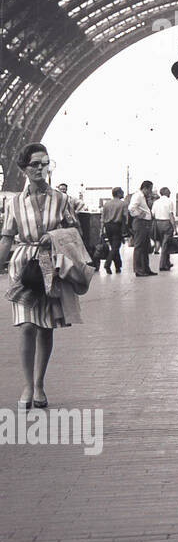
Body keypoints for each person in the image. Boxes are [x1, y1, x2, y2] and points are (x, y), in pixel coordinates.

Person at [0, 144, 87, 408]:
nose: (40, 168)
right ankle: (28, 386)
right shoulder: (13, 202)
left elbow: (75, 230)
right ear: (24, 168)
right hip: (24, 268)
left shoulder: (61, 199)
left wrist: (56, 237)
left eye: (44, 163)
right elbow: (6, 237)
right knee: (27, 326)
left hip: (51, 266)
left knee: (46, 327)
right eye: (35, 164)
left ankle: (39, 385)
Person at [128, 180, 156, 276]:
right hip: (141, 223)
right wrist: (139, 215)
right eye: (150, 189)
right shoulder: (138, 196)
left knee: (145, 247)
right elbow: (131, 208)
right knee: (139, 246)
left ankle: (146, 268)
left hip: (145, 223)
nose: (150, 192)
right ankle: (138, 270)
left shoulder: (143, 197)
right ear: (145, 188)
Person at [100, 186, 127, 274]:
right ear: (118, 193)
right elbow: (125, 217)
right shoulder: (123, 204)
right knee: (115, 247)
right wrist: (125, 230)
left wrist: (102, 229)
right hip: (117, 226)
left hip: (108, 226)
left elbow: (103, 217)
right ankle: (107, 264)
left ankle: (118, 266)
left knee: (114, 247)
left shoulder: (107, 204)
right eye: (122, 192)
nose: (123, 193)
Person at [152, 186, 176, 271]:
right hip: (166, 223)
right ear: (166, 193)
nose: (170, 193)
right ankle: (162, 265)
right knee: (166, 245)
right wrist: (175, 228)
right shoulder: (169, 202)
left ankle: (167, 263)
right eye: (169, 192)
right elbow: (171, 215)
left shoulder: (156, 202)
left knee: (164, 244)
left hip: (157, 224)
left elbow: (153, 214)